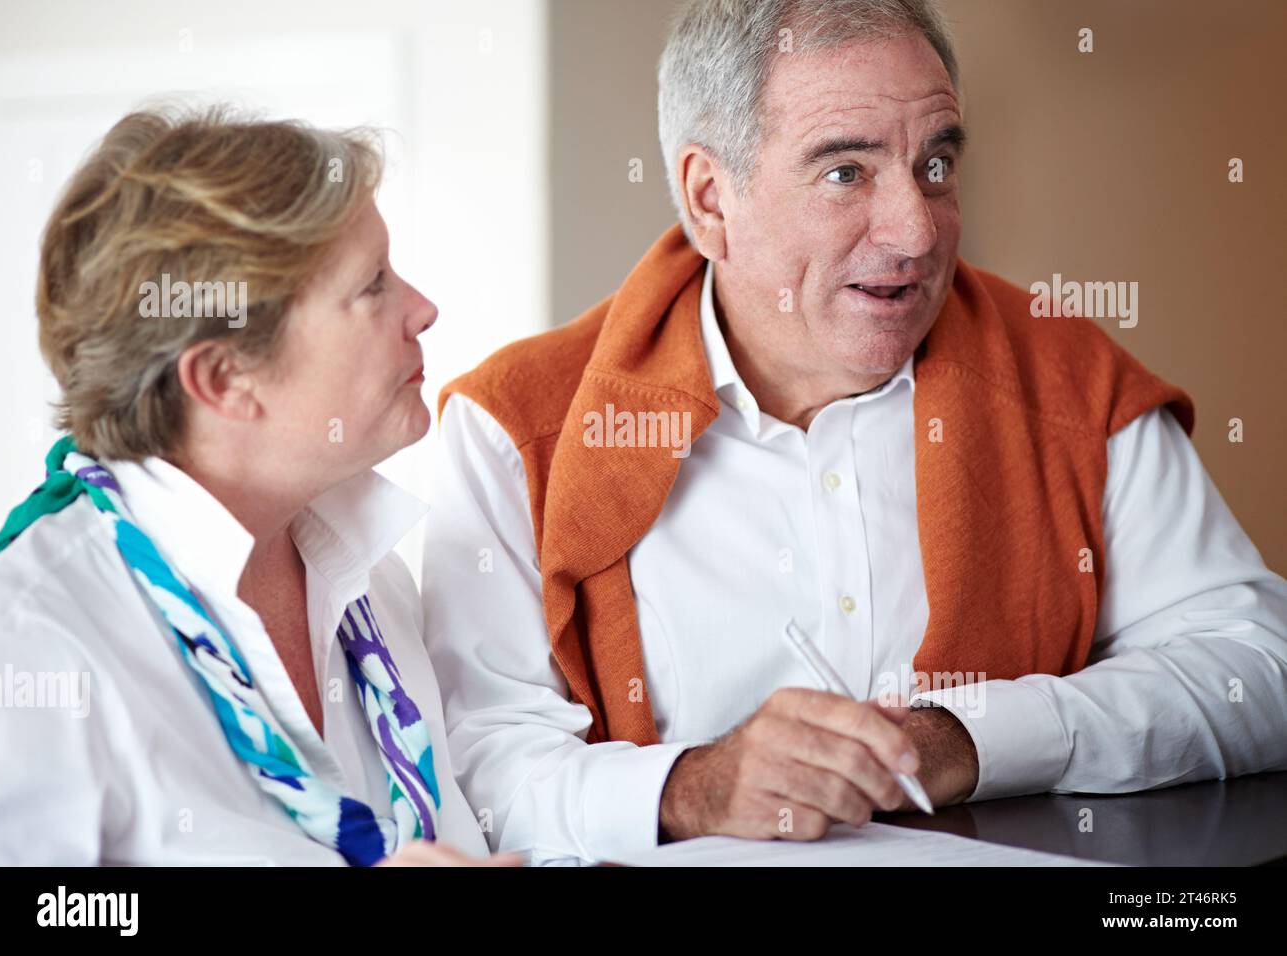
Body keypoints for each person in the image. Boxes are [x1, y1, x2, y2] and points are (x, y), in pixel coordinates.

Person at [420, 0, 1287, 865]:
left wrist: (969, 736)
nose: (917, 231)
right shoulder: (515, 428)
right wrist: (691, 789)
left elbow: (1258, 670)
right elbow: (479, 769)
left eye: (936, 164)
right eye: (846, 172)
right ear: (710, 198)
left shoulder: (1073, 381)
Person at [0, 107, 517, 866]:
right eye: (372, 286)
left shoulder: (371, 581)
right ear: (225, 379)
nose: (422, 310)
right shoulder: (24, 643)